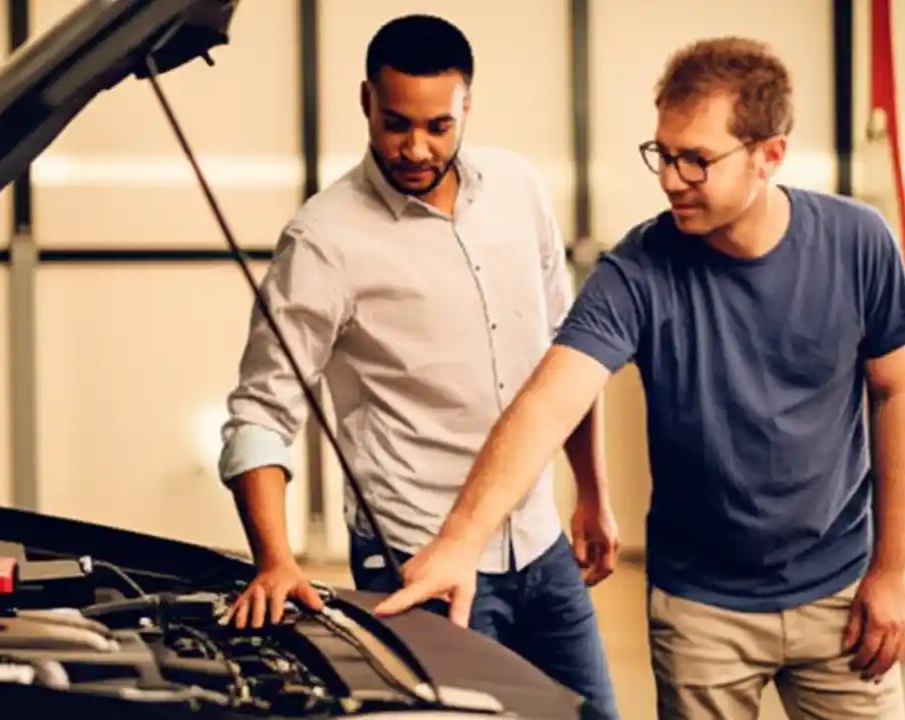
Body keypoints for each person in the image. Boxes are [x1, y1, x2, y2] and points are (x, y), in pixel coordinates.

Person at [374, 36, 905, 720]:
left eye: (695, 160)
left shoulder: (858, 242)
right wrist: (461, 539)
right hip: (702, 611)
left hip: (842, 591)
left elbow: (897, 391)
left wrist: (893, 571)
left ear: (769, 155)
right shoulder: (639, 268)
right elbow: (550, 400)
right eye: (662, 154)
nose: (670, 179)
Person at [214, 13, 621, 719]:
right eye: (396, 122)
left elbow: (569, 354)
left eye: (438, 125)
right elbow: (260, 410)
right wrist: (275, 559)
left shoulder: (521, 189)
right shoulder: (323, 241)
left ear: (468, 104)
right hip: (415, 559)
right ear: (366, 100)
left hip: (538, 539)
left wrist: (591, 492)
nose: (415, 147)